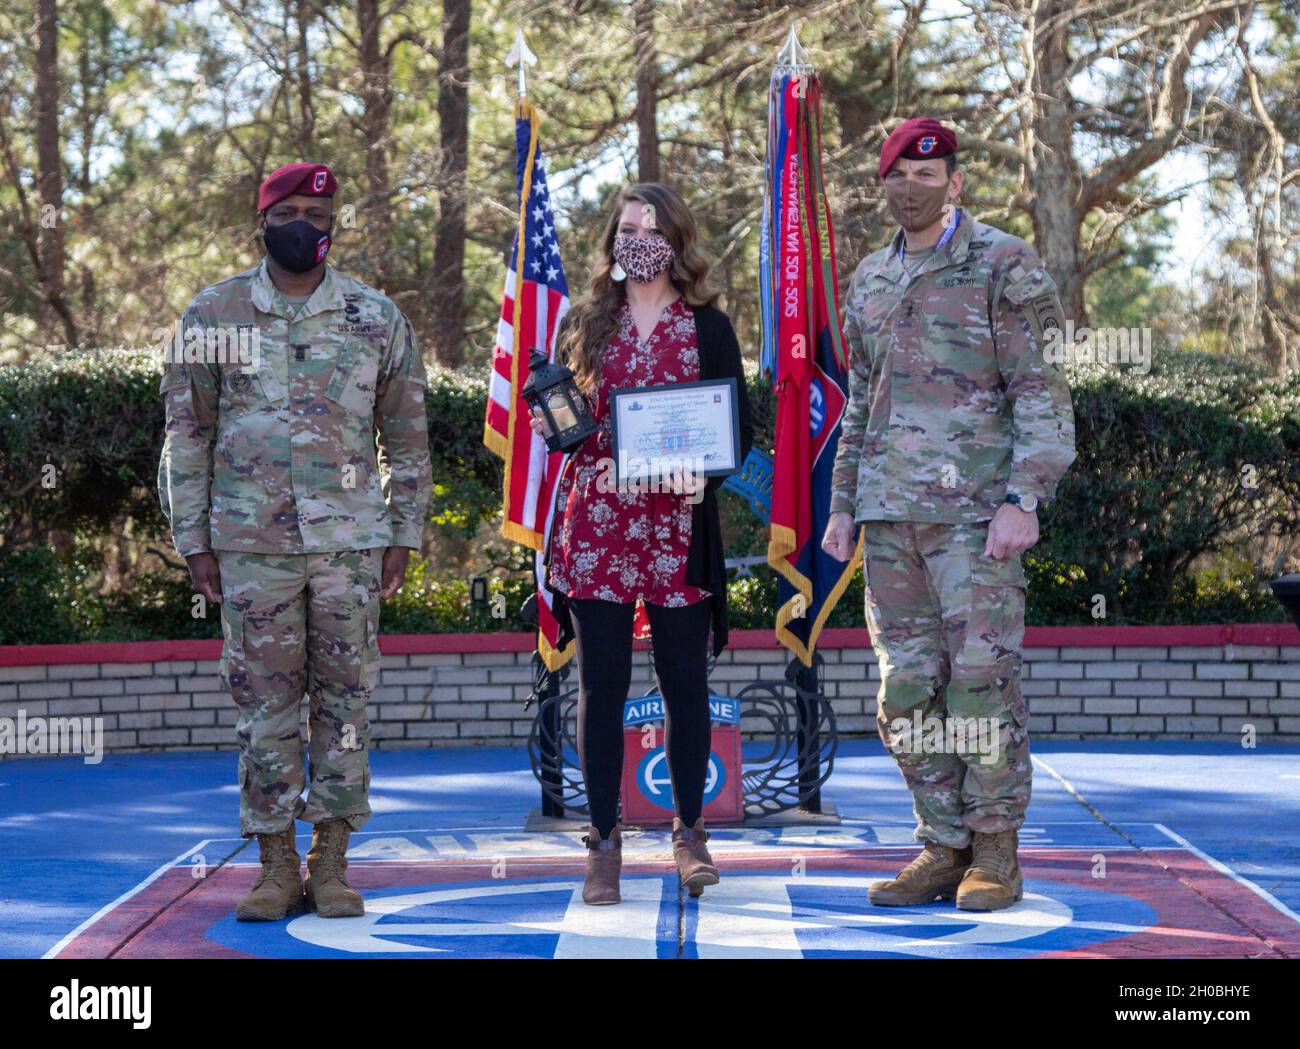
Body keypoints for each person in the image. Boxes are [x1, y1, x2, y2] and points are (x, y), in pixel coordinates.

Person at [158, 162, 432, 921]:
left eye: (322, 210)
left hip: (349, 545)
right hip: (252, 547)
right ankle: (276, 864)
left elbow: (407, 437)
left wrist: (404, 531)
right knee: (265, 709)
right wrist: (194, 539)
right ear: (264, 219)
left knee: (345, 707)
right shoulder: (214, 315)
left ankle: (333, 860)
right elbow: (188, 433)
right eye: (295, 211)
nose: (310, 224)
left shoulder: (374, 317)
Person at [821, 119, 1076, 911]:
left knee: (978, 684)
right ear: (884, 185)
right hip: (890, 518)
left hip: (976, 519)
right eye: (897, 174)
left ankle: (996, 850)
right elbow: (861, 401)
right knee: (907, 691)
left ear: (954, 182)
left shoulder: (1002, 262)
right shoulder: (867, 280)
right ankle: (942, 843)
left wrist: (1023, 497)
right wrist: (842, 505)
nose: (911, 187)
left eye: (927, 174)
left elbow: (1042, 385)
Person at [535, 182, 753, 905]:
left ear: (677, 240)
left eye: (653, 228)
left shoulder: (710, 327)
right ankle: (603, 846)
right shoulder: (587, 321)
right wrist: (552, 428)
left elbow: (736, 429)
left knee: (684, 686)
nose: (639, 239)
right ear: (613, 241)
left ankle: (690, 833)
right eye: (627, 227)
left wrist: (707, 479)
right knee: (603, 687)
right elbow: (571, 421)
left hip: (678, 527)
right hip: (599, 523)